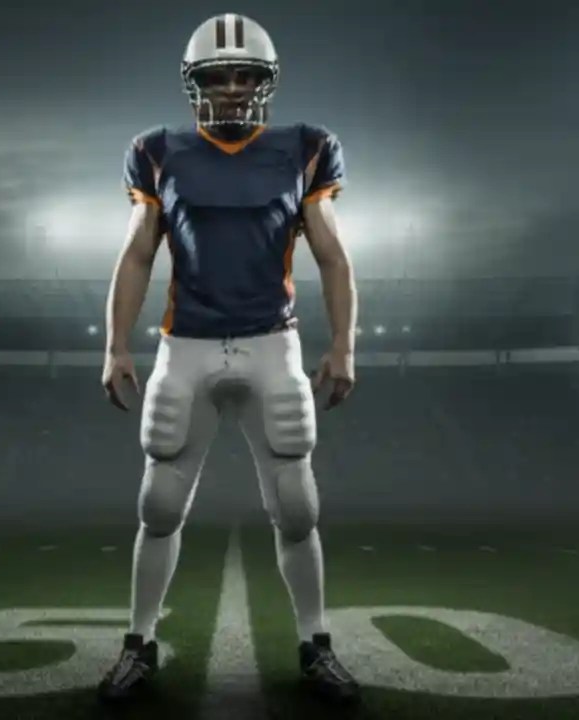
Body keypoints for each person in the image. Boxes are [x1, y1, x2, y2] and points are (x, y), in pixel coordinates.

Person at [97, 12, 360, 706]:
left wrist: (342, 345)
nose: (236, 88)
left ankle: (315, 644)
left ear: (266, 82)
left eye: (247, 76)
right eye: (220, 76)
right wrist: (116, 344)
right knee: (157, 506)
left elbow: (332, 256)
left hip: (273, 344)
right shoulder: (157, 150)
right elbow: (136, 254)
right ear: (196, 83)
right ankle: (139, 643)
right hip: (185, 347)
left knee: (298, 509)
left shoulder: (306, 147)